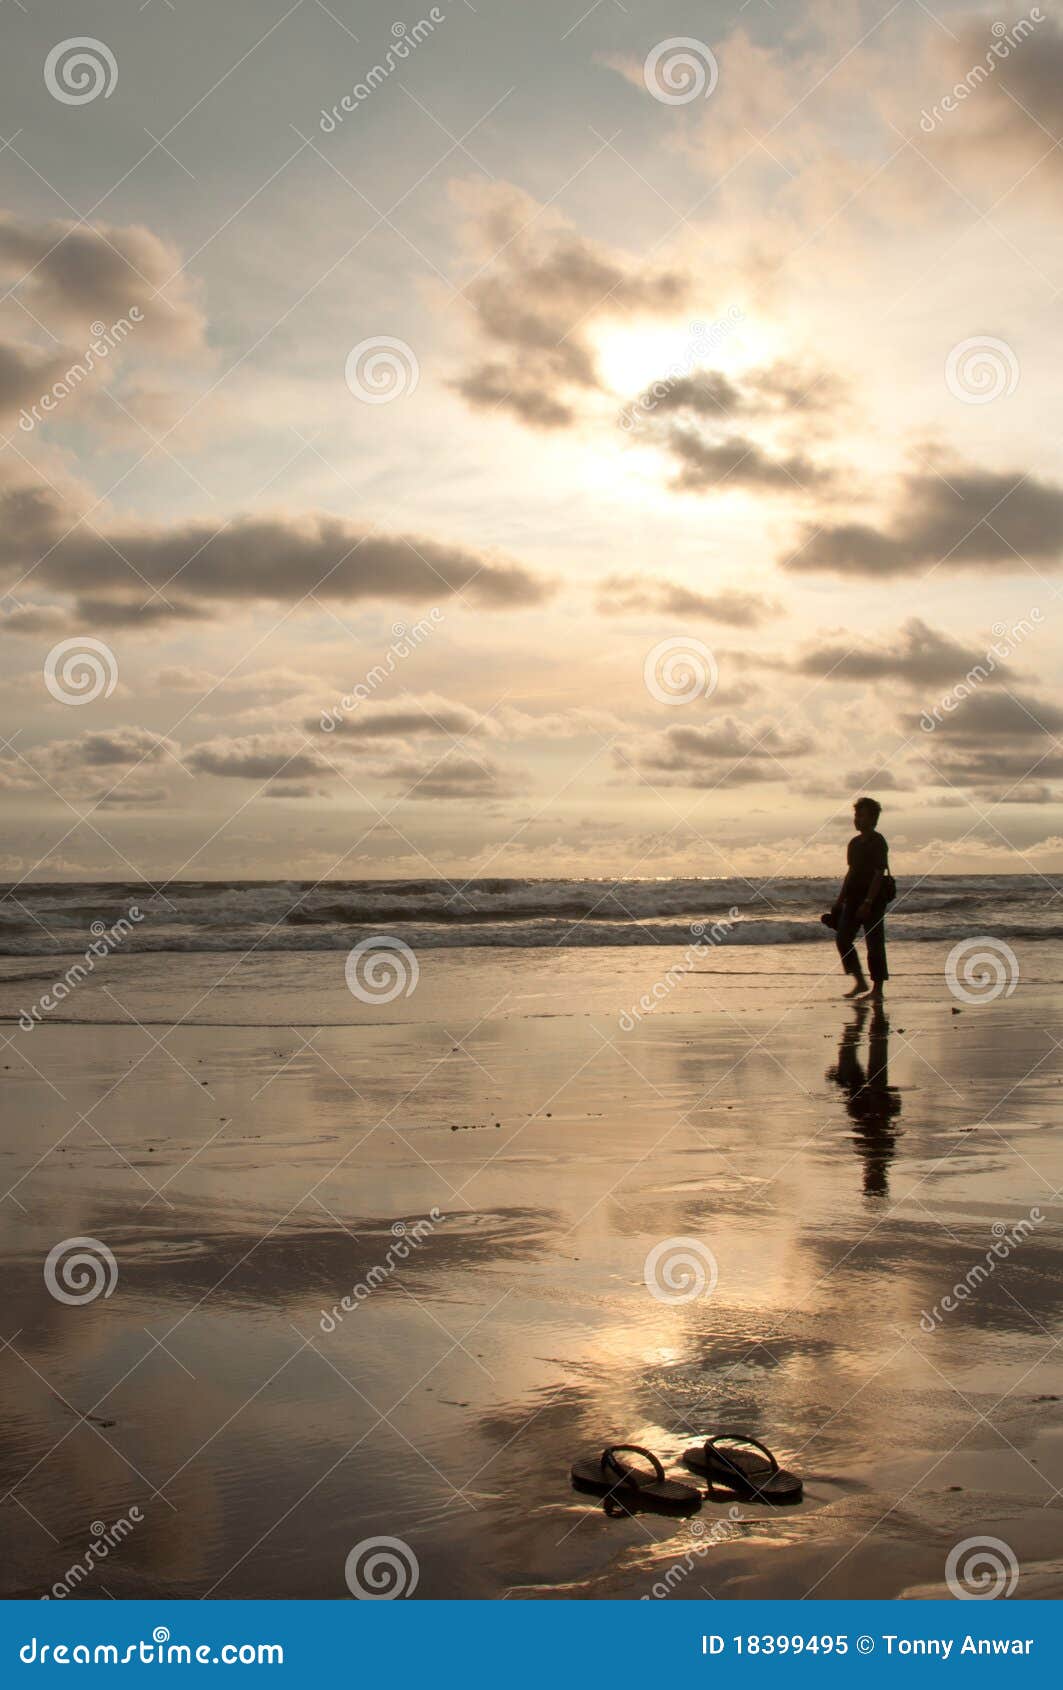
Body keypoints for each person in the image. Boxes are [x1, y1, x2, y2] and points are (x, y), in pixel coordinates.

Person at [831, 796, 890, 1000]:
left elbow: (879, 873)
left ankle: (877, 990)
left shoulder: (878, 842)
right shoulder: (854, 843)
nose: (856, 819)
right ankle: (860, 981)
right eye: (856, 815)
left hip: (873, 901)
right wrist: (840, 900)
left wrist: (868, 902)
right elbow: (851, 873)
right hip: (853, 898)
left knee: (874, 944)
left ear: (873, 818)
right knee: (842, 939)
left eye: (861, 815)